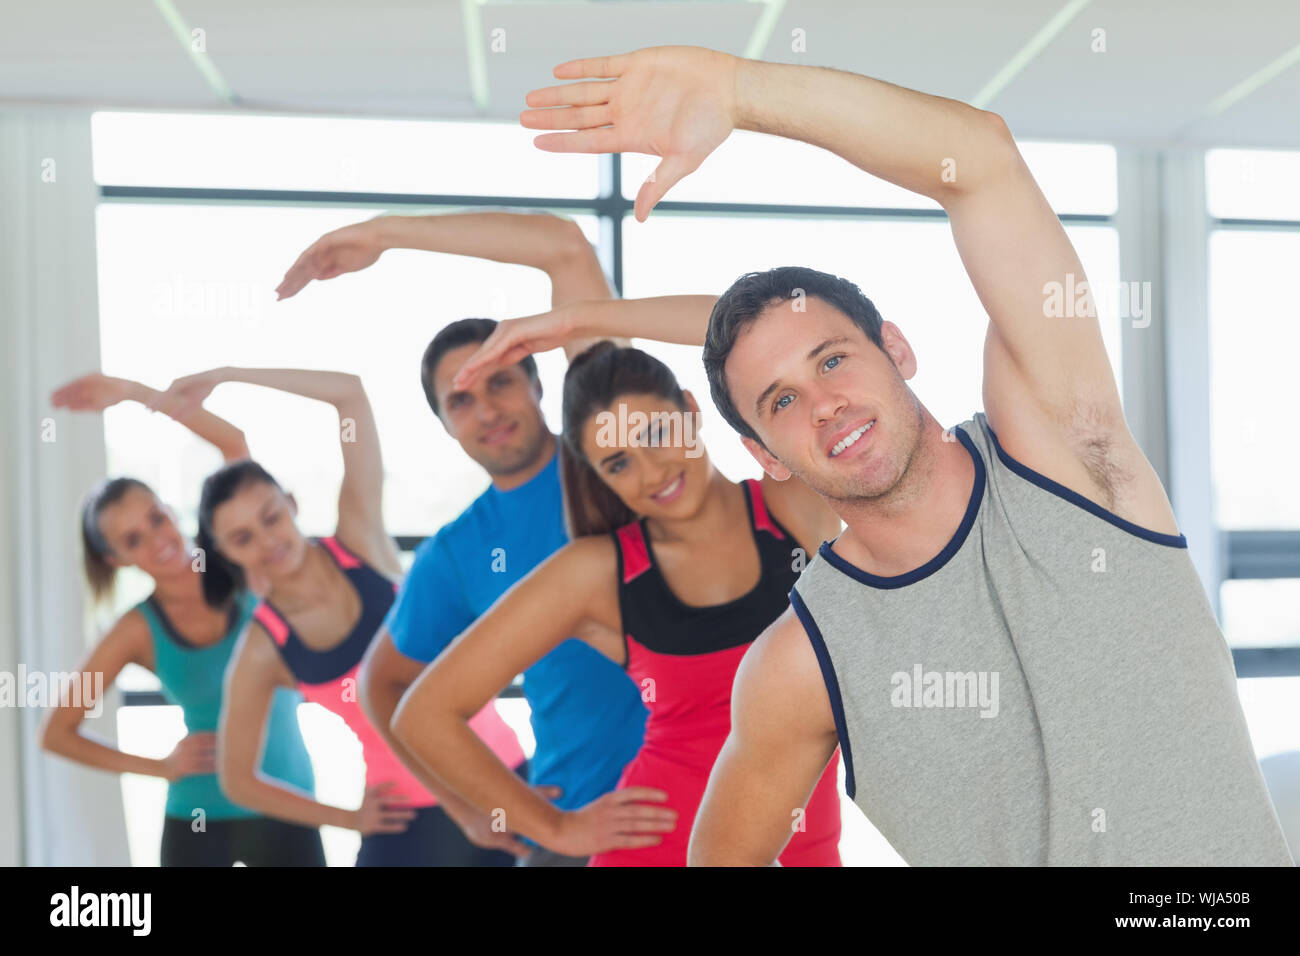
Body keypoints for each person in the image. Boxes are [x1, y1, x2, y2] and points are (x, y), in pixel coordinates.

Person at [490, 45, 1294, 866]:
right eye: (782, 402)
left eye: (834, 360)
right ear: (764, 454)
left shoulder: (1064, 451)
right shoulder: (800, 664)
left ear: (897, 349)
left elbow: (979, 161)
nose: (824, 403)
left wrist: (741, 92)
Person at [278, 210, 650, 866]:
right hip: (573, 824)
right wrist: (469, 808)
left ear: (537, 385)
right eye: (460, 401)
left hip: (706, 791)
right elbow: (381, 685)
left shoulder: (616, 460)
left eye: (498, 381)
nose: (486, 411)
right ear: (448, 426)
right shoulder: (457, 551)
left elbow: (564, 247)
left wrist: (386, 235)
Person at [392, 337, 843, 866]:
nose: (651, 472)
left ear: (692, 409)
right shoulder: (598, 571)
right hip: (659, 849)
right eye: (618, 462)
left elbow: (752, 325)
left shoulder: (792, 504)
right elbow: (423, 714)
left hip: (805, 850)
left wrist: (580, 322)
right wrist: (556, 828)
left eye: (657, 433)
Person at [151, 366, 526, 866]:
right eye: (243, 538)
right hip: (403, 819)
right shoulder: (263, 648)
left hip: (499, 780)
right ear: (226, 554)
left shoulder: (360, 541)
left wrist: (231, 375)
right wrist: (348, 818)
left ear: (290, 503)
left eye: (270, 517)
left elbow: (350, 395)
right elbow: (237, 779)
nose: (267, 542)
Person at [40, 372, 323, 867]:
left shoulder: (237, 562)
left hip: (288, 805)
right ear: (116, 561)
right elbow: (58, 732)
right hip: (198, 818)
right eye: (133, 540)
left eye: (154, 517)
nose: (157, 539)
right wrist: (159, 767)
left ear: (169, 508)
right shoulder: (136, 631)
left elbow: (233, 443)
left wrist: (132, 394)